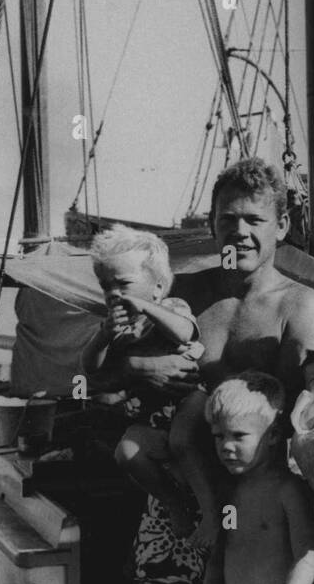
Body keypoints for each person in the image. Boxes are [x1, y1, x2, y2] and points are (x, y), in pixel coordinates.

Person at [132, 158, 314, 584]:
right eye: (228, 218)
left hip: (259, 503)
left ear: (281, 225)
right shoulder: (183, 294)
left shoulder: (302, 307)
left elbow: (313, 416)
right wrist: (142, 369)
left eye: (254, 219)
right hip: (180, 495)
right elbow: (110, 368)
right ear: (212, 224)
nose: (239, 230)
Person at [81, 225, 216, 547]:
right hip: (152, 414)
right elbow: (91, 371)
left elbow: (185, 333)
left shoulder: (171, 307)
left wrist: (148, 310)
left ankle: (211, 515)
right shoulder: (115, 329)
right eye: (106, 286)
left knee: (184, 442)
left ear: (157, 288)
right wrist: (102, 336)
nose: (114, 293)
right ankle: (173, 502)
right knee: (127, 453)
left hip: (189, 400)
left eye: (124, 284)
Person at [190, 372, 314, 584]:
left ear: (272, 435)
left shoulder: (288, 490)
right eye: (218, 436)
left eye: (238, 436)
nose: (226, 446)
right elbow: (220, 551)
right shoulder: (228, 492)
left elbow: (307, 558)